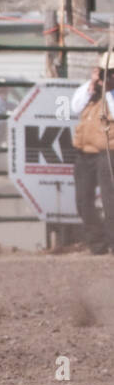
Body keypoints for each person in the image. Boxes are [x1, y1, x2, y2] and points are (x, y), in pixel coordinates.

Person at [71, 53, 114, 254]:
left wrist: (107, 90)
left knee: (110, 199)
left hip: (108, 152)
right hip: (84, 152)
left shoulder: (110, 95)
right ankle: (97, 241)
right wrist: (92, 86)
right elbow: (75, 106)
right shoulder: (87, 91)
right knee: (82, 199)